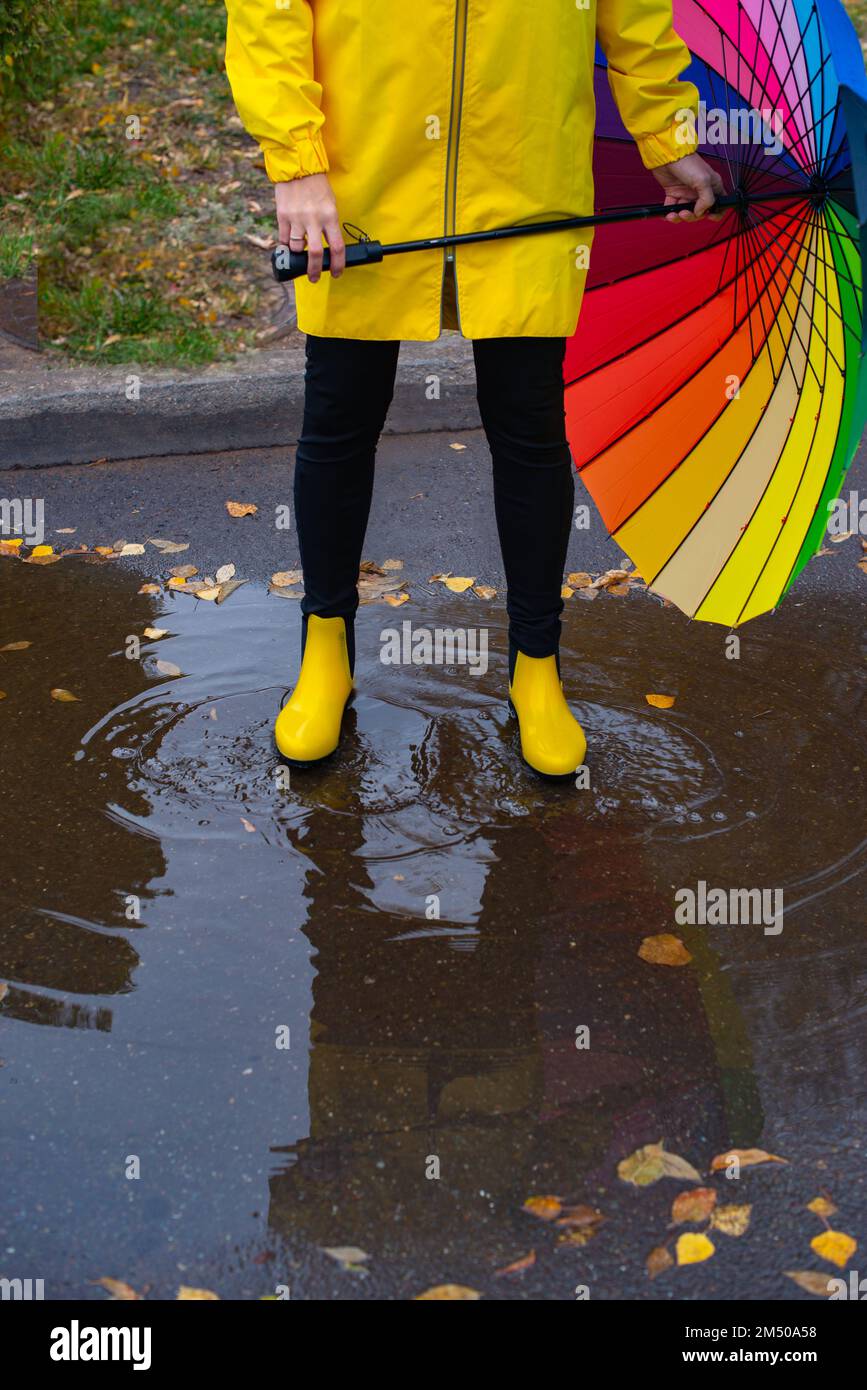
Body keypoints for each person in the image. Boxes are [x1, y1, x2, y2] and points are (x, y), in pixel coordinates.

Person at [223, 1, 723, 777]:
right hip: (364, 170)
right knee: (338, 416)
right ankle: (325, 650)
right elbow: (270, 13)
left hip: (527, 174)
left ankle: (536, 666)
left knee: (528, 428)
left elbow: (635, 16)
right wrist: (299, 163)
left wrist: (666, 139)